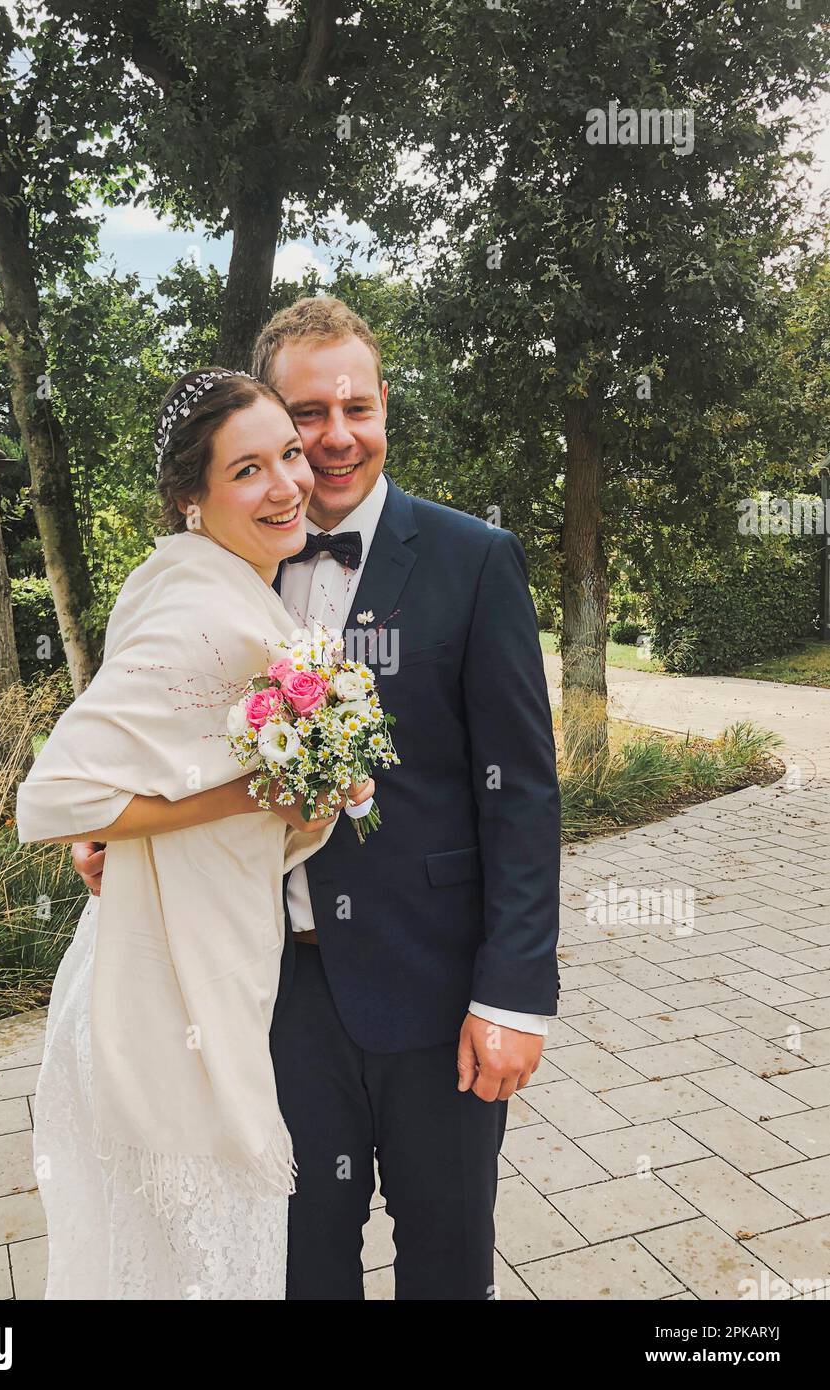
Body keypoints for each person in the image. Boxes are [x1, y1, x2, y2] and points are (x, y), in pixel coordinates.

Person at [75, 297, 561, 1300]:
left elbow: (521, 796)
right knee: (294, 1268)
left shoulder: (475, 561)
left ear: (386, 407)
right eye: (307, 416)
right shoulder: (221, 572)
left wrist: (512, 993)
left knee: (447, 1261)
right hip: (269, 997)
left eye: (359, 406)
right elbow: (163, 759)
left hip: (439, 997)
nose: (338, 437)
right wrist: (117, 838)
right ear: (270, 429)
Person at [16, 367, 371, 1299]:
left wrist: (312, 789)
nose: (288, 484)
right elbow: (54, 797)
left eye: (288, 456)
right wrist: (257, 792)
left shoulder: (217, 585)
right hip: (165, 995)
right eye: (248, 470)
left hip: (203, 967)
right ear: (191, 498)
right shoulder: (206, 607)